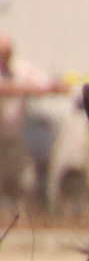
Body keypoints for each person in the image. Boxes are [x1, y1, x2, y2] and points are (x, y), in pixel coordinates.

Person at [0, 36, 53, 209]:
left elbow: (44, 83)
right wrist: (17, 89)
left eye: (6, 52)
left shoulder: (20, 69)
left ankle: (20, 218)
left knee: (25, 181)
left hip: (16, 135)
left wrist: (51, 86)